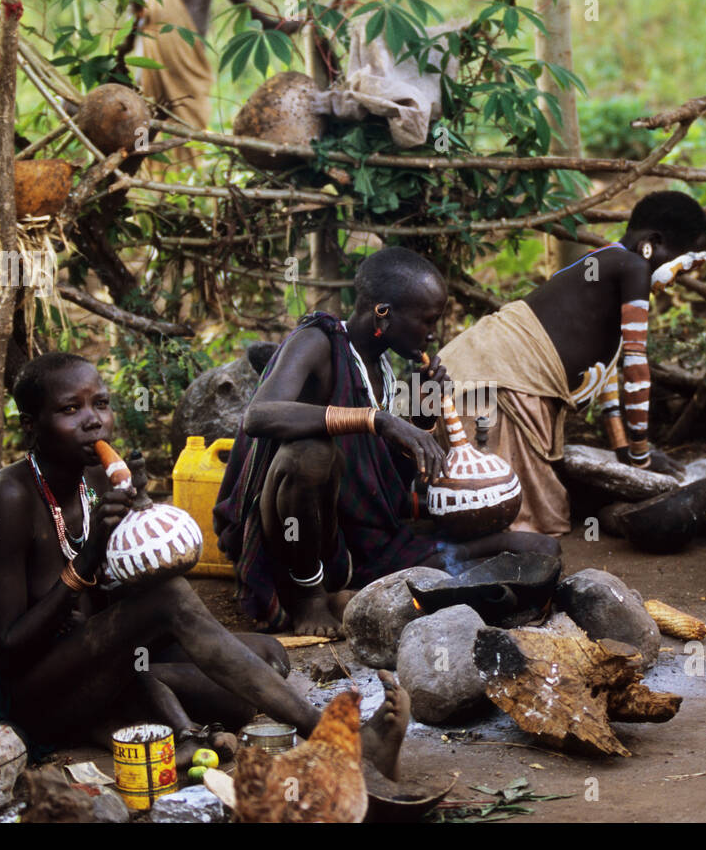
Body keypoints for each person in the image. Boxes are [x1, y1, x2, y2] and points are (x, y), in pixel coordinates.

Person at [0, 352, 409, 777]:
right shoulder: (7, 501)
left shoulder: (95, 480)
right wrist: (93, 553)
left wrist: (139, 521)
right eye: (68, 409)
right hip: (12, 693)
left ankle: (142, 716)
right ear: (29, 424)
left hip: (79, 659)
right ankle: (340, 739)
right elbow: (8, 647)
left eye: (99, 403)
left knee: (265, 659)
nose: (92, 421)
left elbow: (109, 601)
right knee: (174, 600)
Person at [215, 247, 557, 638]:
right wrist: (377, 420)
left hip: (369, 541)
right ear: (383, 312)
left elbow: (387, 484)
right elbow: (259, 416)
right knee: (310, 454)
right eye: (427, 320)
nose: (433, 333)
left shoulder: (383, 369)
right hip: (305, 537)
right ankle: (308, 598)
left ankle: (355, 594)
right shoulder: (318, 341)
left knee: (538, 551)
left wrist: (424, 411)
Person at [435, 191, 706, 536]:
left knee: (542, 509)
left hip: (465, 376)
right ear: (651, 244)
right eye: (686, 263)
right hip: (492, 384)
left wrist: (623, 449)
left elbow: (609, 370)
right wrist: (641, 456)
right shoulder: (634, 267)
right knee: (523, 518)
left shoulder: (603, 263)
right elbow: (637, 368)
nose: (678, 278)